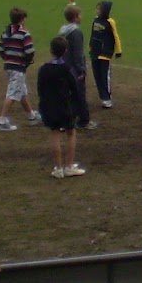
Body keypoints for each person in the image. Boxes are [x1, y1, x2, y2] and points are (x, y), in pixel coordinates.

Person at [36, 34, 84, 178]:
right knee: (71, 133)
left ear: (51, 51)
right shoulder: (66, 69)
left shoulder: (43, 69)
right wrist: (78, 107)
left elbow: (40, 89)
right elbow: (75, 89)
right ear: (65, 51)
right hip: (65, 106)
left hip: (50, 106)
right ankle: (69, 166)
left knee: (55, 134)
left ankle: (58, 168)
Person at [0, 7, 40, 131]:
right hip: (18, 68)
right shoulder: (24, 33)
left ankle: (31, 116)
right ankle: (2, 121)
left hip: (8, 66)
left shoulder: (5, 32)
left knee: (21, 91)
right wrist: (26, 62)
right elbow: (30, 51)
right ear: (22, 20)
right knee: (13, 93)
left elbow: (0, 50)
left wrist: (8, 58)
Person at [57, 5, 93, 129]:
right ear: (76, 17)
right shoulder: (76, 32)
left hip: (65, 66)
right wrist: (81, 69)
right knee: (79, 94)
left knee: (68, 95)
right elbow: (78, 53)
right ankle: (84, 121)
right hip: (74, 69)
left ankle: (66, 120)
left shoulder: (62, 31)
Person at [89, 0, 120, 109]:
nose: (97, 11)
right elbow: (93, 35)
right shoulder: (95, 20)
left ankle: (107, 98)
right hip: (94, 53)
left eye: (99, 9)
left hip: (105, 53)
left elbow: (116, 36)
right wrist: (90, 46)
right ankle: (103, 97)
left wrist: (118, 50)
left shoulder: (110, 22)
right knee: (97, 76)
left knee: (104, 76)